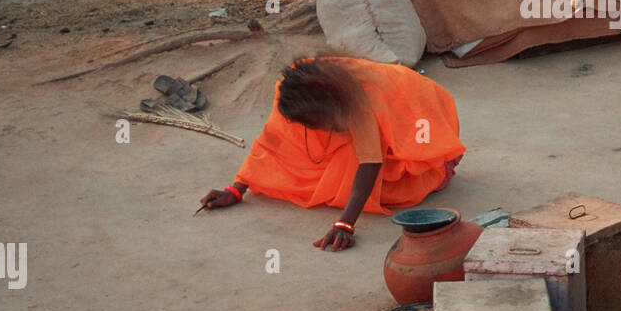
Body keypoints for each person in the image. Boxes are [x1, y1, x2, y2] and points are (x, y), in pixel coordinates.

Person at [198, 57, 465, 252]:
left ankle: (440, 166)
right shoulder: (289, 90)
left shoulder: (359, 101)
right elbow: (274, 139)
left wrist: (345, 225)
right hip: (352, 111)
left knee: (395, 189)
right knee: (305, 168)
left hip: (414, 109)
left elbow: (370, 162)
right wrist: (236, 188)